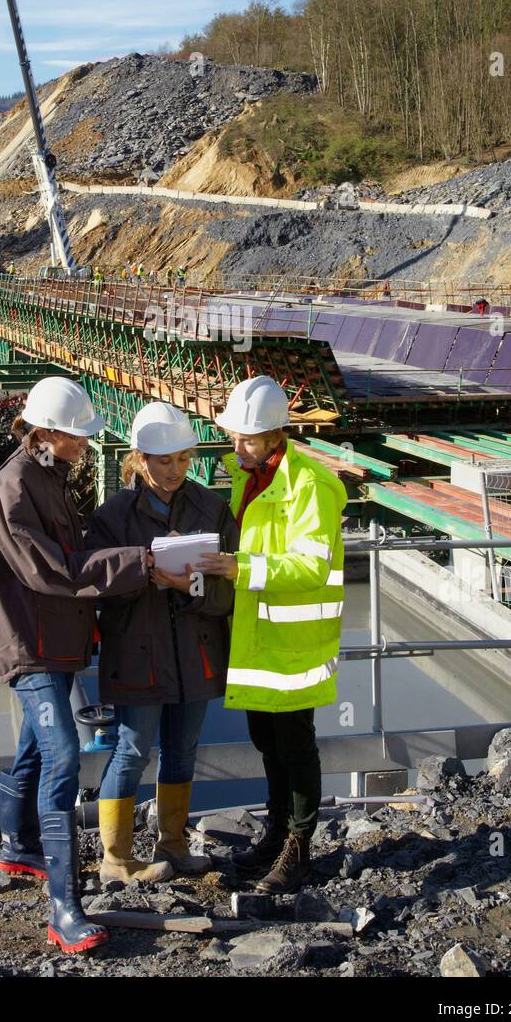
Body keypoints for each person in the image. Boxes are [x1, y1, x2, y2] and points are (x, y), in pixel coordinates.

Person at [0, 377, 150, 954]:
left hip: (52, 640)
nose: (84, 446)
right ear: (46, 432)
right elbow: (53, 571)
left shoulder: (46, 476)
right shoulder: (16, 487)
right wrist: (141, 563)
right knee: (63, 755)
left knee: (34, 746)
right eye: (77, 436)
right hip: (31, 647)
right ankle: (64, 907)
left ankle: (19, 846)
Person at [199, 376, 347, 894]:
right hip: (259, 636)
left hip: (296, 641)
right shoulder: (252, 476)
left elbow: (311, 565)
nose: (236, 446)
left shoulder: (309, 485)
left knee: (295, 743)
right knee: (267, 740)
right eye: (234, 436)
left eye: (248, 438)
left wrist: (238, 568)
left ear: (276, 435)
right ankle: (277, 831)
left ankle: (299, 848)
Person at [85, 403, 238, 882]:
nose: (175, 471)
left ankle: (172, 845)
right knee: (131, 748)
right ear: (139, 459)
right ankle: (116, 857)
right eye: (164, 460)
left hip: (194, 651)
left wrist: (186, 585)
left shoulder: (211, 508)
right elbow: (96, 587)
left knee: (182, 749)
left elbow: (229, 591)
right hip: (139, 654)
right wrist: (144, 568)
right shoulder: (112, 517)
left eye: (183, 460)